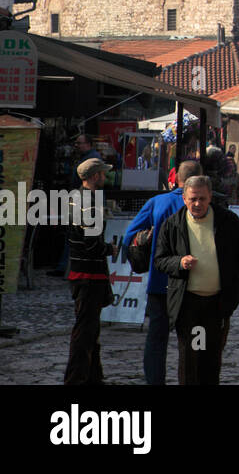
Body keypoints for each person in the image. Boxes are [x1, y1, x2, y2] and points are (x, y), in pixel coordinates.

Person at [154, 176, 239, 384]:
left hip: (216, 304)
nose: (197, 204)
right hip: (188, 303)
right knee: (190, 359)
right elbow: (160, 260)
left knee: (211, 359)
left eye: (202, 199)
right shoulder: (173, 224)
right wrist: (179, 263)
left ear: (210, 198)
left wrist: (236, 290)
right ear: (184, 198)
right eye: (193, 199)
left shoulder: (227, 221)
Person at [124, 159, 201, 385]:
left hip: (161, 282)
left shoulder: (157, 202)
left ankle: (154, 382)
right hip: (195, 284)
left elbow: (130, 236)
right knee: (194, 337)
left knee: (157, 338)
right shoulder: (204, 204)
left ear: (175, 177)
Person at [64, 157, 111, 385]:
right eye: (102, 173)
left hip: (80, 271)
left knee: (91, 331)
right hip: (89, 274)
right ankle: (76, 379)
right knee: (84, 331)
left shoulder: (75, 198)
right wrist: (110, 248)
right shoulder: (90, 203)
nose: (105, 177)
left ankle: (94, 377)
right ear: (94, 176)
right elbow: (93, 244)